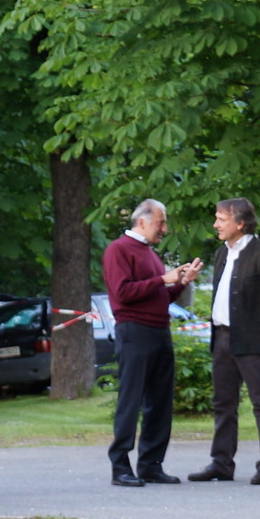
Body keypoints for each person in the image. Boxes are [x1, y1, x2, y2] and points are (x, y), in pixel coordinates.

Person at [188, 198, 260, 486]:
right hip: (221, 338)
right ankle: (221, 463)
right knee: (223, 403)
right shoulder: (222, 253)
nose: (215, 224)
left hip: (253, 340)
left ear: (240, 223)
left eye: (221, 219)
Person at [101, 199, 201, 488]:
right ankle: (120, 467)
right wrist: (162, 278)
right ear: (141, 222)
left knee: (160, 402)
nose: (164, 229)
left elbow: (160, 298)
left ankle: (151, 465)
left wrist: (181, 283)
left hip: (159, 331)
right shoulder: (118, 250)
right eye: (160, 223)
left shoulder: (148, 253)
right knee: (131, 401)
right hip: (134, 332)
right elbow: (122, 293)